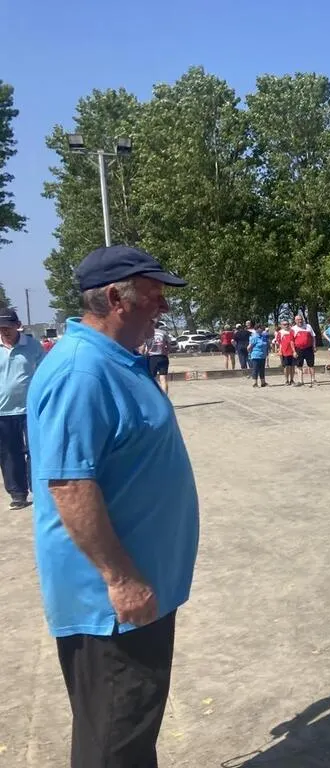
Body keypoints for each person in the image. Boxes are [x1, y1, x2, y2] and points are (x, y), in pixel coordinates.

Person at [26, 245, 199, 767]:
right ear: (113, 298)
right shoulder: (81, 371)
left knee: (131, 727)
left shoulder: (115, 360)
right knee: (114, 741)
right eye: (154, 294)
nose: (163, 306)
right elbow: (69, 485)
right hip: (109, 606)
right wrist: (121, 578)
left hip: (139, 590)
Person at [0, 307, 44, 510]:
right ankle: (18, 493)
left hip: (30, 409)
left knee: (35, 450)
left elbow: (44, 374)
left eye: (7, 326)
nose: (4, 331)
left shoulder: (33, 346)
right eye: (0, 327)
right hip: (3, 411)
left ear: (18, 326)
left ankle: (38, 489)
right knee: (9, 453)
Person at [144, 322, 172, 395]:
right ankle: (165, 399)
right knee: (163, 379)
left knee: (152, 379)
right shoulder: (164, 333)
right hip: (163, 357)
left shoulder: (148, 334)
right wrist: (166, 351)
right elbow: (169, 346)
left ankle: (154, 398)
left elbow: (143, 347)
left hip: (152, 358)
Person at [292, 313, 317, 387]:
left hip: (309, 348)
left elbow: (313, 337)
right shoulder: (293, 329)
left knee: (311, 364)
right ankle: (300, 381)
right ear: (295, 321)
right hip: (298, 349)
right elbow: (291, 341)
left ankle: (313, 380)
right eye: (298, 320)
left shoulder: (308, 326)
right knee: (299, 365)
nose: (300, 321)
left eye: (301, 319)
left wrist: (314, 346)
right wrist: (293, 351)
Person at [248, 323, 270, 388]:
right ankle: (255, 383)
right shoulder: (254, 337)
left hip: (263, 356)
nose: (261, 329)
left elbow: (266, 345)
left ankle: (263, 383)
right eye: (260, 328)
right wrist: (250, 354)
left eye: (262, 328)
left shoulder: (263, 337)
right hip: (255, 356)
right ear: (256, 329)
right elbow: (249, 347)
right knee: (255, 369)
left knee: (262, 369)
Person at [276, 319, 296, 386]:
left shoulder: (292, 331)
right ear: (281, 325)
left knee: (292, 366)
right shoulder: (280, 332)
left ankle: (292, 380)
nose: (286, 325)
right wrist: (279, 351)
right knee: (286, 367)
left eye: (287, 324)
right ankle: (286, 380)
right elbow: (278, 343)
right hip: (285, 352)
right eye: (284, 324)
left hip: (293, 352)